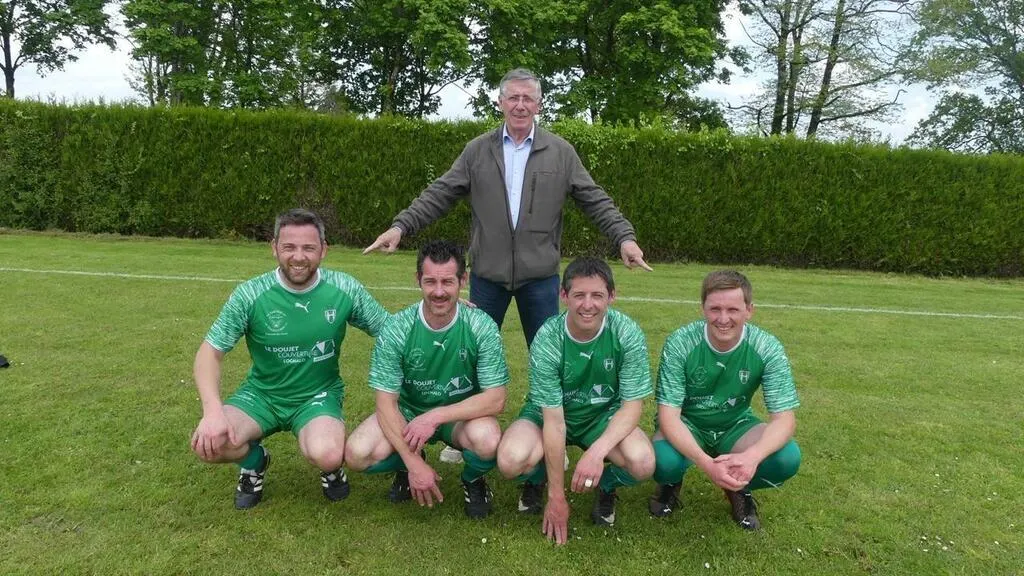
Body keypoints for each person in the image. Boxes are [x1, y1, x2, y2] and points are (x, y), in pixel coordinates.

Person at [363, 67, 652, 350]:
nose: (520, 106)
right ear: (500, 102)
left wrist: (624, 238)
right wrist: (401, 227)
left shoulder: (561, 152)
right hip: (487, 276)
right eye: (513, 98)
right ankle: (472, 400)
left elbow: (594, 199)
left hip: (540, 278)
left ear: (539, 105)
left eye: (528, 99)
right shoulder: (477, 151)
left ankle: (547, 401)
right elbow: (440, 193)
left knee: (548, 357)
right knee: (472, 354)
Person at [190, 208, 390, 509]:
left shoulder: (345, 288)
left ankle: (331, 469)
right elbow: (209, 353)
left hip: (317, 396)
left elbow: (392, 329)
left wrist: (443, 313)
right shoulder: (250, 294)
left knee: (328, 453)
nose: (298, 257)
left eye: (308, 247)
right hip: (262, 395)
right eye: (289, 247)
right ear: (274, 248)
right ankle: (255, 462)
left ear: (324, 250)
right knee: (209, 444)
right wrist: (213, 411)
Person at [496, 257, 655, 545]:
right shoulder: (548, 337)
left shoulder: (627, 332)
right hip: (549, 413)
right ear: (564, 296)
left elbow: (632, 407)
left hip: (602, 414)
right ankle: (538, 479)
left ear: (612, 296)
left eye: (597, 295)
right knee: (509, 461)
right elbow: (554, 421)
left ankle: (606, 485)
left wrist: (596, 453)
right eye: (579, 295)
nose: (588, 304)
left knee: (642, 463)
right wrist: (557, 498)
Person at [345, 240, 509, 519]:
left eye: (448, 282)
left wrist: (435, 417)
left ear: (463, 280)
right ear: (418, 280)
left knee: (489, 441)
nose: (439, 291)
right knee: (357, 454)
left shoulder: (481, 325)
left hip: (458, 415)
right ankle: (408, 463)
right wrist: (412, 462)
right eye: (430, 281)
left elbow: (497, 398)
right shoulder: (397, 328)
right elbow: (386, 404)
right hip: (408, 413)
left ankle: (472, 479)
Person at [649, 270, 801, 530]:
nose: (723, 319)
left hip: (735, 424)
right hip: (689, 423)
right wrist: (706, 464)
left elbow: (784, 420)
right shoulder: (680, 343)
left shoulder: (767, 347)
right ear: (702, 308)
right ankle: (672, 481)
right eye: (714, 309)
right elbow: (668, 416)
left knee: (786, 457)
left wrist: (752, 457)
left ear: (749, 310)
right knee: (663, 461)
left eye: (733, 309)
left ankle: (739, 487)